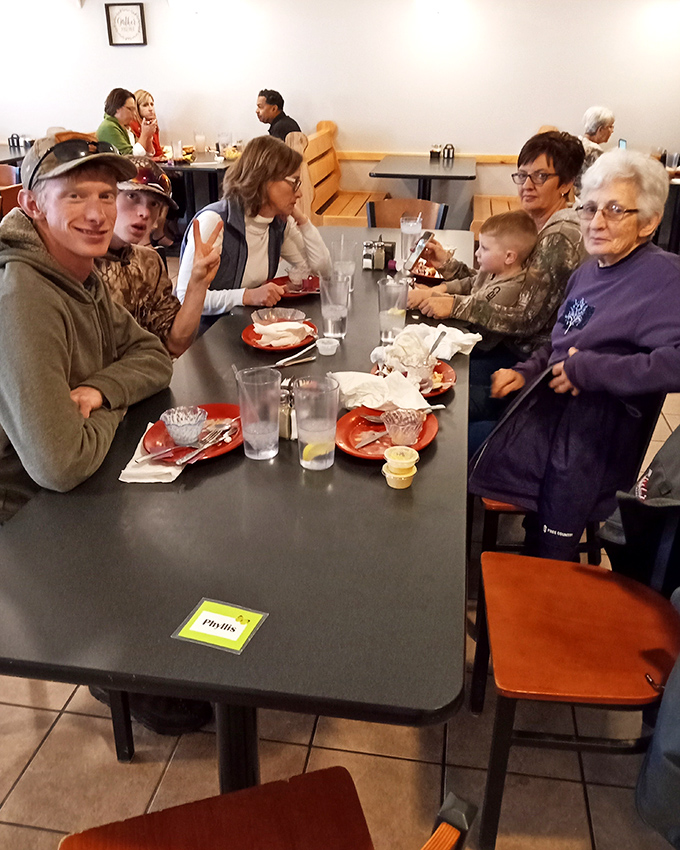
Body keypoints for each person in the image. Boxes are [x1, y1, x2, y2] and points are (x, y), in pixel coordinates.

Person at [468, 149, 680, 562]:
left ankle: (534, 598)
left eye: (615, 210)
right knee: (453, 420)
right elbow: (563, 341)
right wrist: (527, 370)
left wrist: (590, 368)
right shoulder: (589, 270)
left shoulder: (664, 279)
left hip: (585, 450)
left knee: (458, 454)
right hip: (543, 412)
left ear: (650, 222)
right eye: (590, 208)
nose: (597, 222)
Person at [0, 135, 173, 522]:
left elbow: (156, 358)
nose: (97, 215)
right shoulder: (21, 296)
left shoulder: (80, 276)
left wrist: (100, 390)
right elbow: (62, 463)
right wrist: (120, 401)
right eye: (75, 196)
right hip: (25, 525)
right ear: (32, 205)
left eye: (107, 196)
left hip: (87, 493)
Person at [413, 132, 587, 435]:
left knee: (430, 395)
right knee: (425, 372)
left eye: (540, 176)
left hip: (526, 364)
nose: (527, 185)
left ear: (567, 183)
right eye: (522, 175)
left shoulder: (560, 233)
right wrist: (450, 267)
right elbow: (501, 281)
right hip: (511, 349)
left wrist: (455, 304)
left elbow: (527, 316)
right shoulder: (539, 222)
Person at [177, 135, 331, 328]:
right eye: (295, 183)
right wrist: (247, 296)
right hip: (211, 337)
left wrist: (303, 220)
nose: (299, 193)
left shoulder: (277, 223)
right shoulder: (214, 221)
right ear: (265, 179)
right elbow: (185, 298)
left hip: (250, 328)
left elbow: (321, 271)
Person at [97, 157, 222, 357]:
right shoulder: (81, 264)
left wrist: (197, 283)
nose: (145, 212)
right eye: (132, 196)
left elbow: (175, 344)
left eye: (154, 204)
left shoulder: (149, 262)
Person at [407, 210, 538, 330]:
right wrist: (436, 290)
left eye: (484, 248)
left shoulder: (508, 289)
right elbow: (470, 283)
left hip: (479, 342)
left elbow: (472, 303)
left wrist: (427, 295)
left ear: (509, 257)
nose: (477, 253)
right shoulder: (492, 270)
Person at [96, 88, 155, 156]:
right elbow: (130, 157)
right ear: (117, 108)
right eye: (130, 109)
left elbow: (148, 154)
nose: (134, 113)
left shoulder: (126, 127)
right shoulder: (108, 127)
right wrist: (144, 134)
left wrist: (149, 136)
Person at [576, 105, 616, 194]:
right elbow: (605, 182)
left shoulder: (578, 142)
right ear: (600, 129)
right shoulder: (594, 151)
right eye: (610, 127)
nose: (612, 131)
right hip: (586, 196)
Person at [129, 89, 163, 158]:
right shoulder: (132, 125)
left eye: (152, 104)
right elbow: (136, 155)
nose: (150, 108)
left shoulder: (152, 123)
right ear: (137, 108)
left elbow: (158, 152)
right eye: (145, 105)